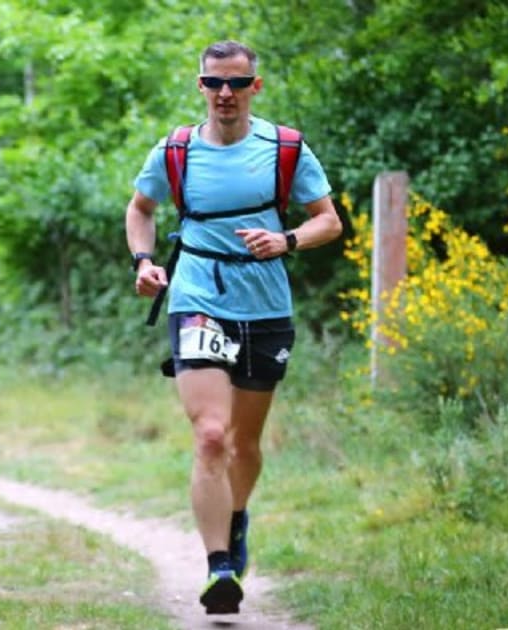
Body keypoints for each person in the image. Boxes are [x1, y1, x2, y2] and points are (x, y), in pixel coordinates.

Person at [124, 40, 342, 615]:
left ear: (255, 87)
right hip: (196, 297)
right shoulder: (175, 150)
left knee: (245, 442)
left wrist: (286, 240)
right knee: (212, 434)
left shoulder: (285, 148)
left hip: (266, 306)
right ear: (200, 85)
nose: (226, 94)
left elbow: (329, 222)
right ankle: (220, 565)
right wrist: (144, 263)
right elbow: (140, 209)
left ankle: (236, 517)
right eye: (215, 83)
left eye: (237, 84)